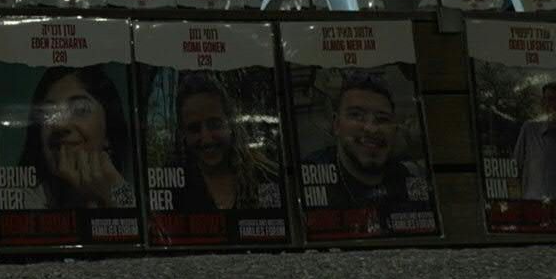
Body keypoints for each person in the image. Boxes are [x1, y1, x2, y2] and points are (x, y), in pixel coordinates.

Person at [17, 65, 134, 209]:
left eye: (80, 109)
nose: (60, 125)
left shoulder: (131, 192)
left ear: (108, 132)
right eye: (48, 113)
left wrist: (114, 192)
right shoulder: (20, 202)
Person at [302, 74, 422, 214]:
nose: (371, 128)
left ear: (395, 128)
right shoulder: (309, 177)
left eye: (382, 119)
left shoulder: (409, 182)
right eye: (356, 115)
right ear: (336, 125)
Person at [173, 74, 280, 212]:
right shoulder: (174, 187)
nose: (206, 139)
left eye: (214, 125)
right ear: (183, 133)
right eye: (194, 129)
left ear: (230, 123)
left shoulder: (265, 177)